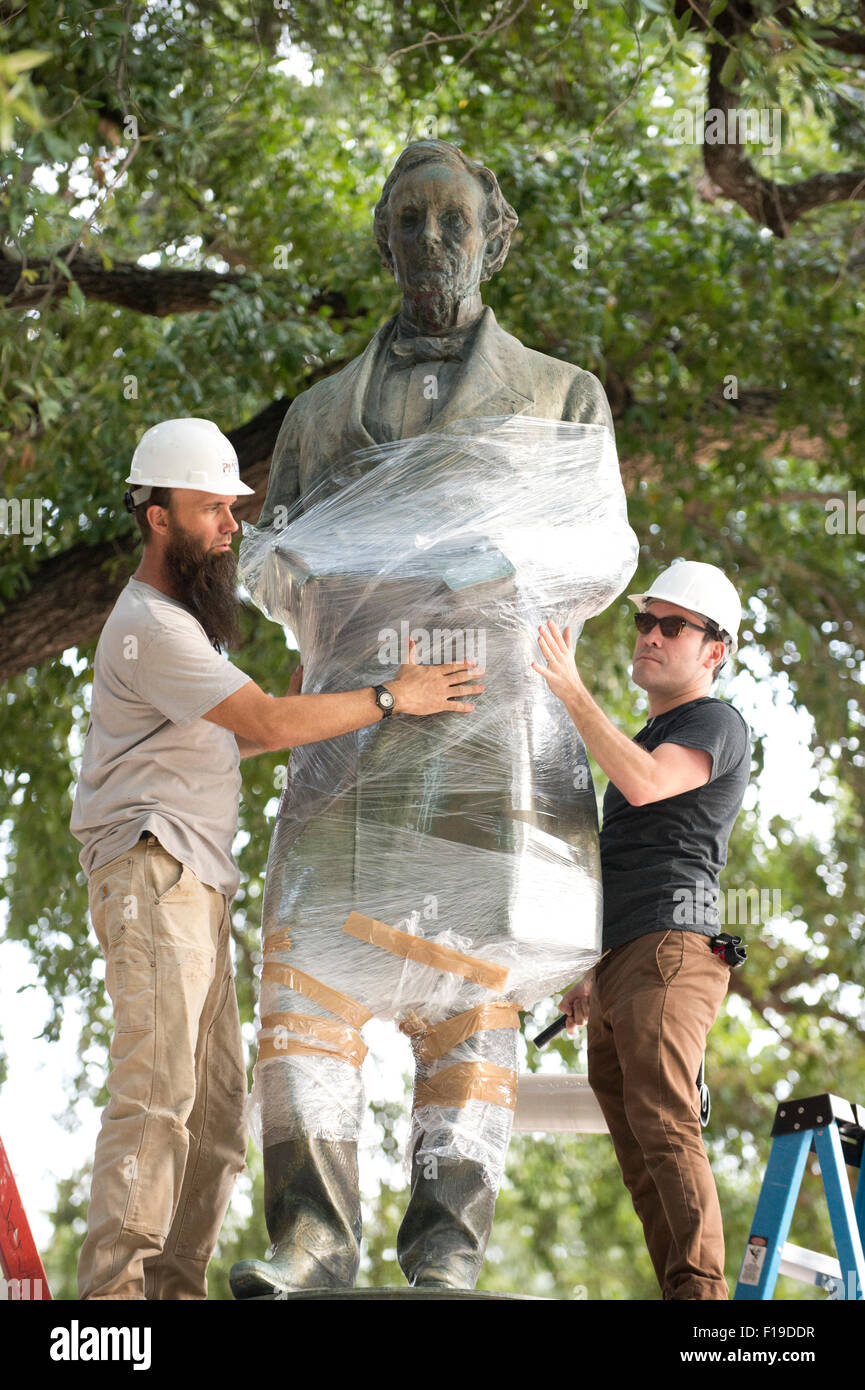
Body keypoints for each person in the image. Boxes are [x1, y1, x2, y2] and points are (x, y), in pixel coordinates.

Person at [228, 138, 637, 1299]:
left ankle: (445, 1248)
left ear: (493, 236)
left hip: (490, 741)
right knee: (304, 981)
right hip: (349, 744)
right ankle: (312, 1237)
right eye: (409, 222)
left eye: (452, 221)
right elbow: (273, 567)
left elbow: (597, 551)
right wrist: (343, 573)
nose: (431, 243)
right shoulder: (314, 415)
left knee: (470, 1001)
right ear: (383, 238)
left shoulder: (562, 395)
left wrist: (486, 556)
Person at [69, 416, 484, 1300]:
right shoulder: (152, 627)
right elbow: (261, 724)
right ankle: (112, 1304)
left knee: (217, 1118)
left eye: (233, 508)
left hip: (194, 884)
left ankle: (172, 1295)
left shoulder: (186, 628)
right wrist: (389, 697)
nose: (230, 524)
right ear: (158, 516)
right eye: (213, 508)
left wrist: (309, 695)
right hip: (153, 874)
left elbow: (236, 737)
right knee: (157, 1093)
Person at [533, 559, 751, 1301]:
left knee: (663, 1127)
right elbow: (627, 855)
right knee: (636, 1149)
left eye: (671, 626)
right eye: (643, 621)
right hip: (627, 956)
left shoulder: (713, 722)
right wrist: (593, 970)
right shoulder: (651, 732)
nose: (649, 636)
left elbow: (646, 783)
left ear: (713, 649)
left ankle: (704, 1308)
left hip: (670, 949)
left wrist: (568, 687)